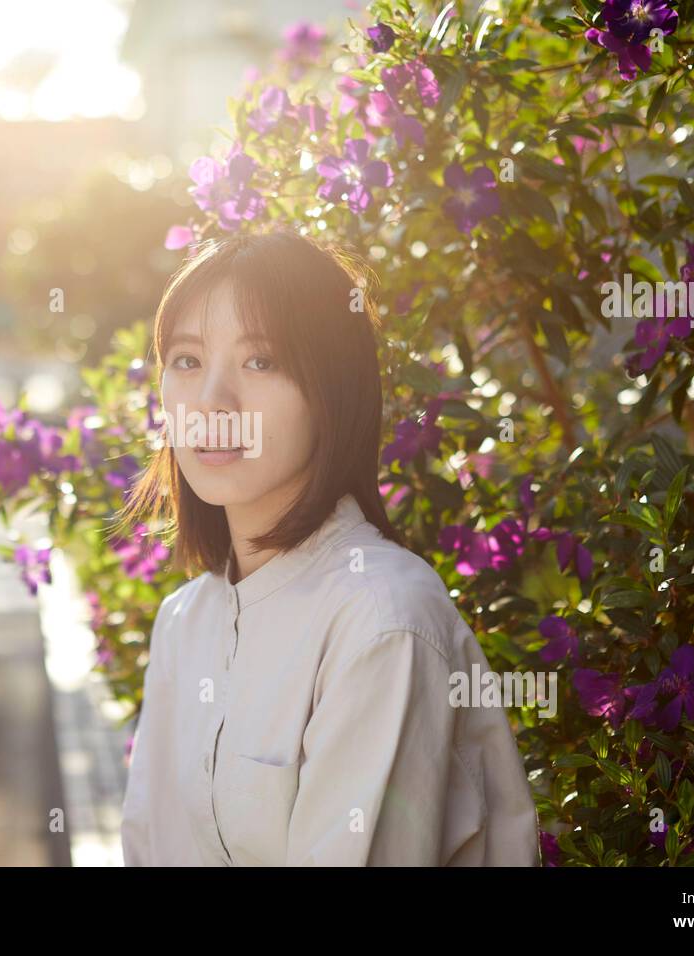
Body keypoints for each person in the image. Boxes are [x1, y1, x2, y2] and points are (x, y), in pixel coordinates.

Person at [116, 227, 539, 866]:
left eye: (261, 361)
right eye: (187, 360)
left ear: (331, 389)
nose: (212, 401)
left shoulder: (383, 619)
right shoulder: (185, 623)